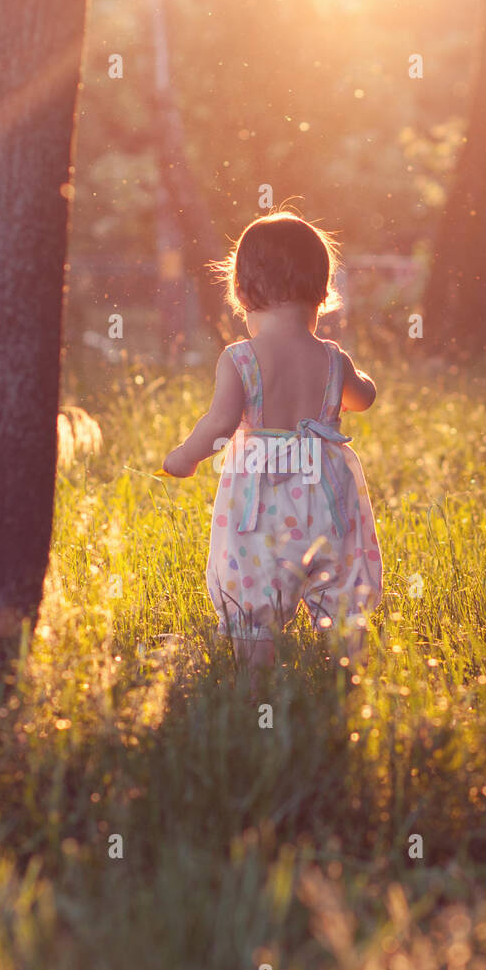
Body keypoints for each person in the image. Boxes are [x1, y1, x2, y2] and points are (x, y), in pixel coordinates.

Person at [162, 211, 382, 674]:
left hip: (260, 499)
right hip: (324, 491)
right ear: (323, 293)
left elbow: (220, 422)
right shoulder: (332, 357)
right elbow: (364, 399)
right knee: (338, 574)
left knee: (255, 579)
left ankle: (254, 679)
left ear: (241, 291)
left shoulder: (240, 358)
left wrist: (185, 456)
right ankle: (347, 670)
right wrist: (351, 377)